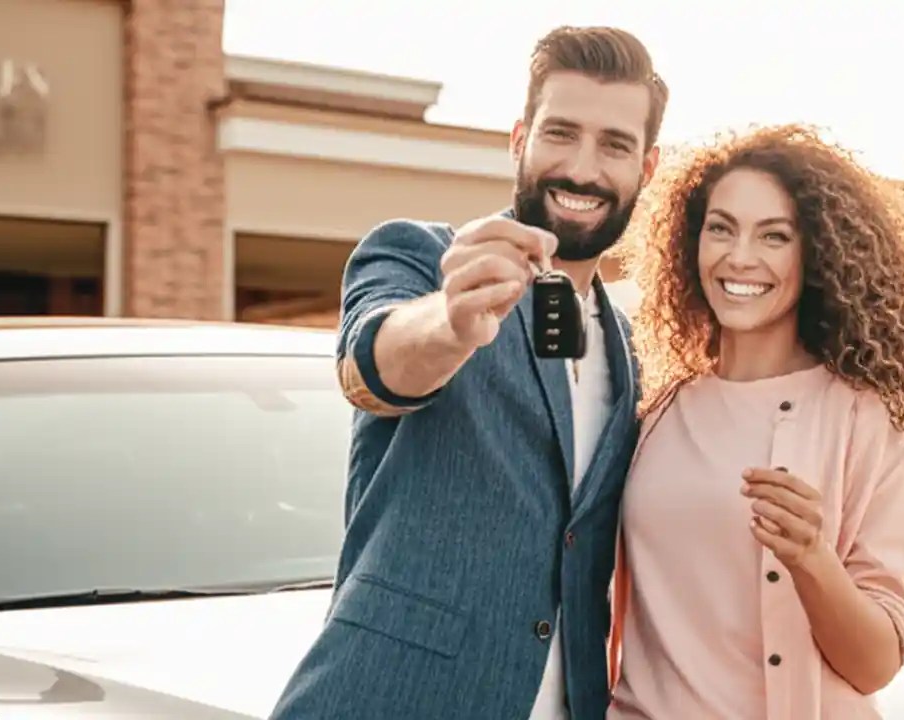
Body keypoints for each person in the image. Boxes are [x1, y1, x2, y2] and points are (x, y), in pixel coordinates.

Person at [268, 26, 668, 720]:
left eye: (614, 145)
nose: (582, 167)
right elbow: (370, 368)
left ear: (647, 168)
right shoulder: (421, 259)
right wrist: (451, 325)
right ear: (519, 139)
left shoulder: (634, 352)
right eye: (560, 133)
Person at [605, 124, 904, 719]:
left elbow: (876, 663)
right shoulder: (653, 408)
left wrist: (811, 558)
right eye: (721, 228)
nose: (739, 256)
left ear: (817, 253)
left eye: (774, 236)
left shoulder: (869, 419)